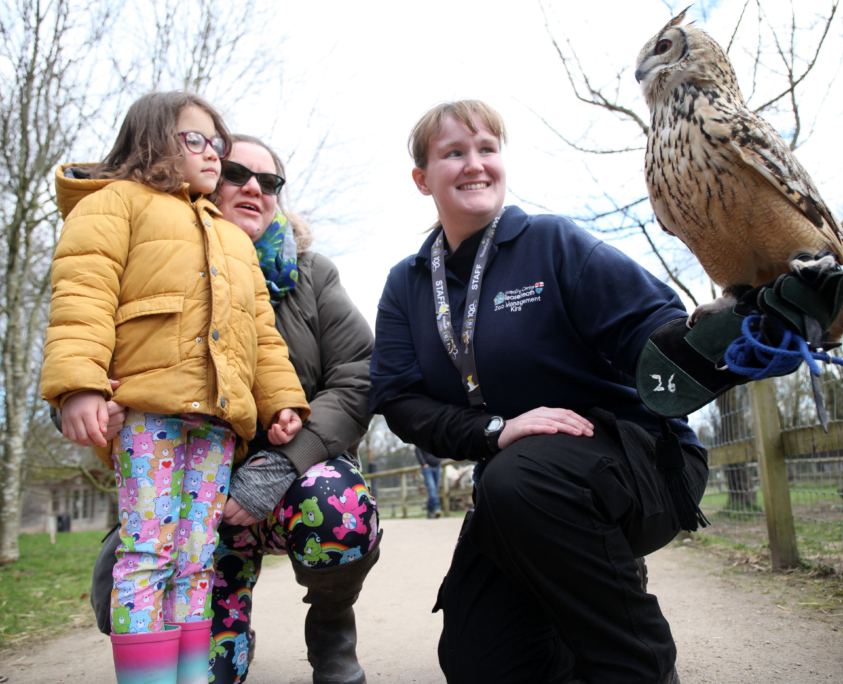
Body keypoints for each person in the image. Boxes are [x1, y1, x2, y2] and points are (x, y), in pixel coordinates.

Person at [369, 100, 709, 684]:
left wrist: (724, 337)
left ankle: (637, 665)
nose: (475, 164)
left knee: (522, 478)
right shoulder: (407, 283)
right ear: (423, 179)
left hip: (636, 461)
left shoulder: (551, 242)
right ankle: (574, 600)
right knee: (479, 662)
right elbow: (400, 399)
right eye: (453, 153)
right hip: (516, 492)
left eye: (487, 149)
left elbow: (649, 327)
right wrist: (495, 430)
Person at [80, 135, 379, 684]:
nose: (253, 188)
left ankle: (333, 630)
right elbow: (86, 345)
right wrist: (91, 406)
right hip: (185, 483)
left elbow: (358, 374)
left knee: (337, 510)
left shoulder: (312, 276)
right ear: (203, 176)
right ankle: (220, 628)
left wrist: (284, 462)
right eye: (237, 172)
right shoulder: (151, 259)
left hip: (291, 478)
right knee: (204, 669)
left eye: (270, 182)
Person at [41, 92, 310, 684]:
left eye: (218, 142)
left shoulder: (234, 240)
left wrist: (281, 400)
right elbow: (82, 300)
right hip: (148, 413)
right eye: (198, 141)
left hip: (216, 423)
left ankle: (189, 675)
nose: (213, 153)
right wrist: (78, 386)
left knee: (195, 558)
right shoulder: (113, 205)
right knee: (147, 552)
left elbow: (260, 334)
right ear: (153, 140)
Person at [415, 446, 441, 518]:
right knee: (431, 488)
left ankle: (430, 511)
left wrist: (439, 460)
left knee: (435, 489)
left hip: (437, 466)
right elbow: (417, 450)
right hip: (427, 467)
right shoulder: (421, 437)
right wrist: (423, 464)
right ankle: (436, 506)